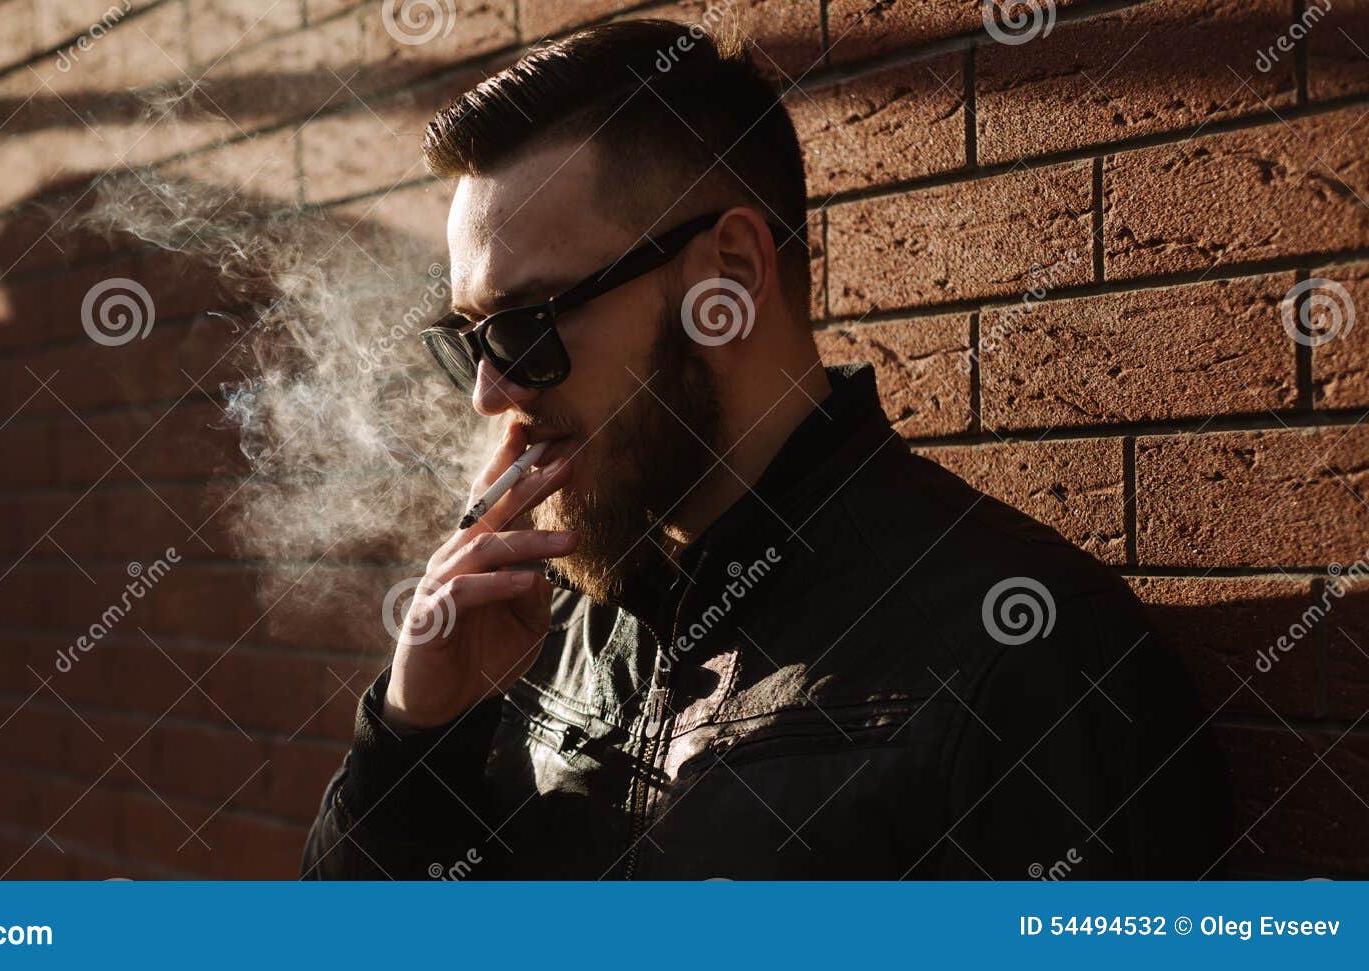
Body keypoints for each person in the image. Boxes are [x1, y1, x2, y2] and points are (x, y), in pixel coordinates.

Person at [301, 19, 1230, 879]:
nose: (490, 392)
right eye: (472, 338)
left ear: (730, 275)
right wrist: (412, 739)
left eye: (528, 325)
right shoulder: (531, 630)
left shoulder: (1028, 657)